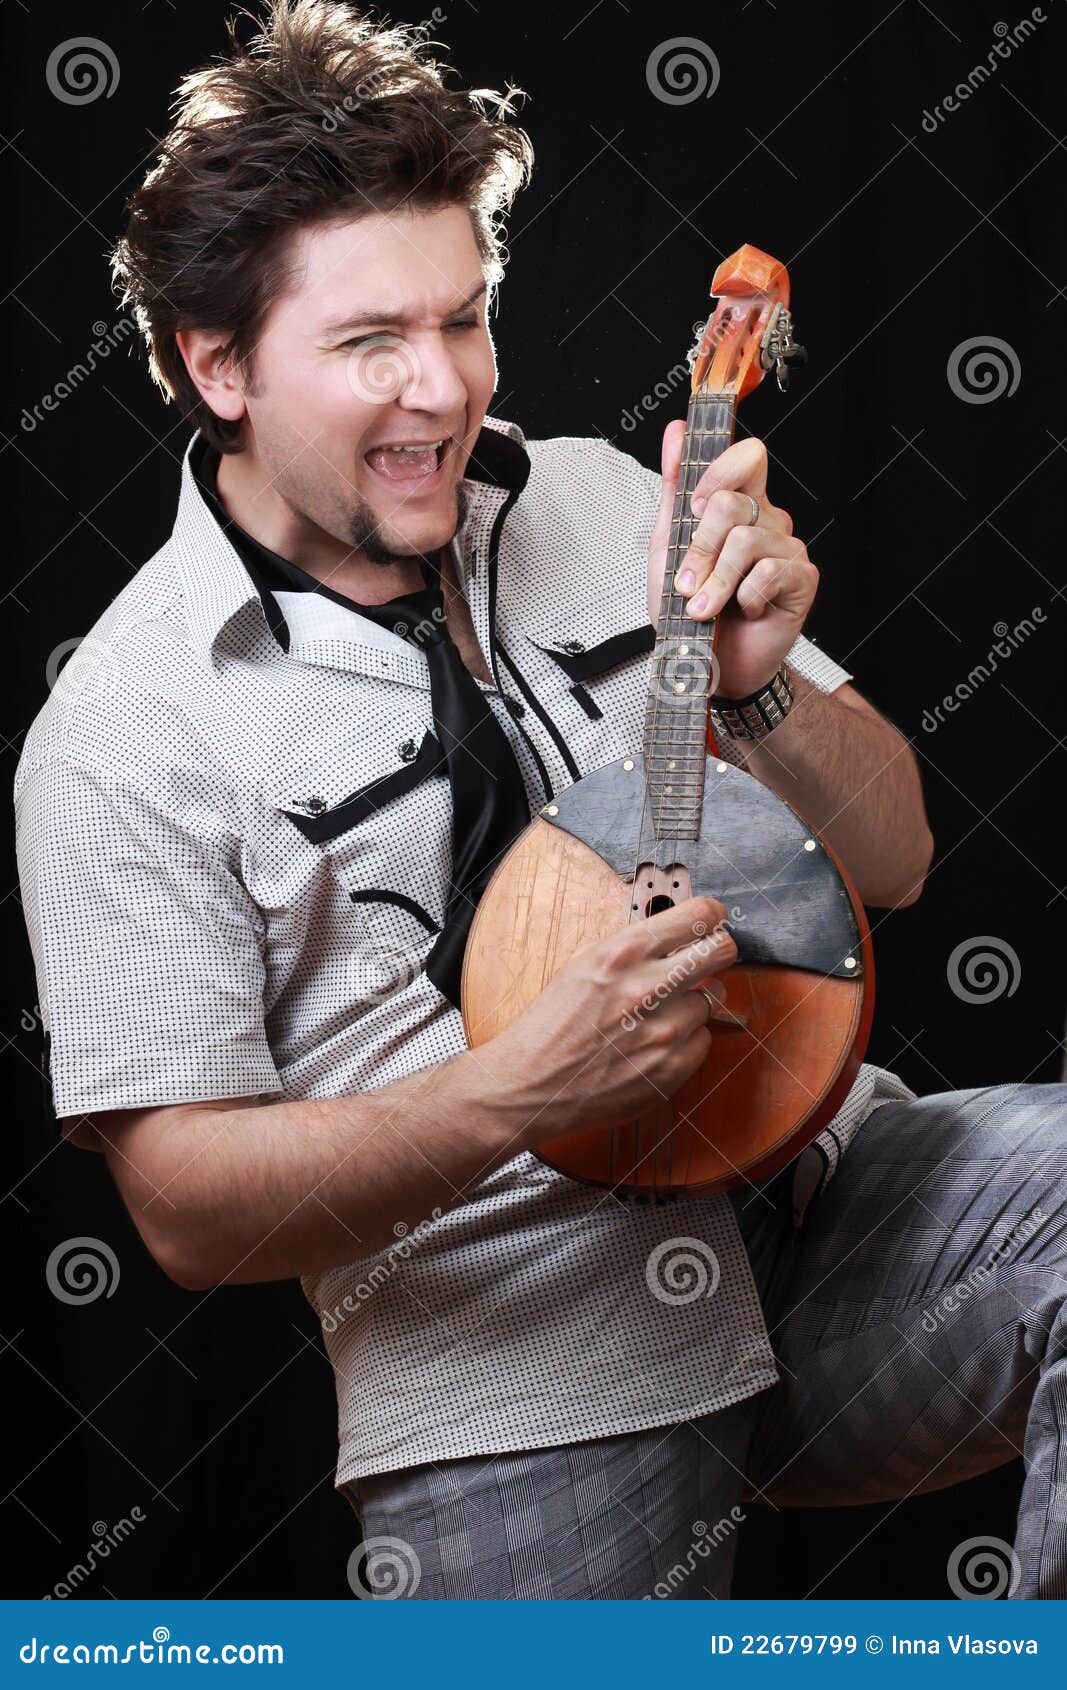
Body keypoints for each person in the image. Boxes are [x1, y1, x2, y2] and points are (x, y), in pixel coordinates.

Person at [14, 0, 1065, 1601]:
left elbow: (900, 858)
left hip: (830, 1201)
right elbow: (182, 1208)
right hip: (520, 1354)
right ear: (211, 362)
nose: (441, 390)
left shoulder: (595, 492)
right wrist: (520, 1092)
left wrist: (763, 688)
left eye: (466, 317)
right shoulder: (124, 728)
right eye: (370, 343)